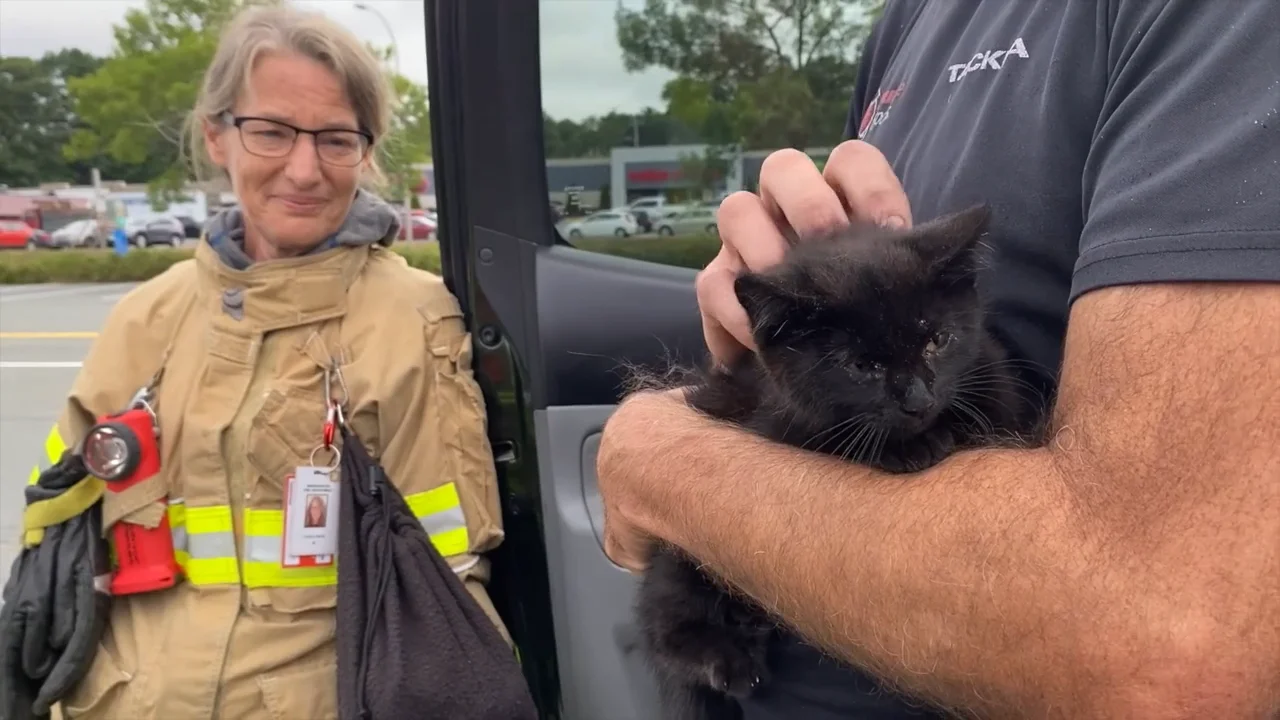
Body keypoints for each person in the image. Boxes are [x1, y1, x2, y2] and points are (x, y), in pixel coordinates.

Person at [596, 1, 1280, 718]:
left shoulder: (1222, 23)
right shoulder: (909, 20)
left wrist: (663, 465)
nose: (921, 395)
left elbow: (1163, 656)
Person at [46, 5, 508, 718]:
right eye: (271, 132)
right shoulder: (143, 319)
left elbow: (445, 584)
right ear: (217, 135)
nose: (304, 168)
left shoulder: (412, 320)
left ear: (367, 150)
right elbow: (59, 536)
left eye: (335, 139)